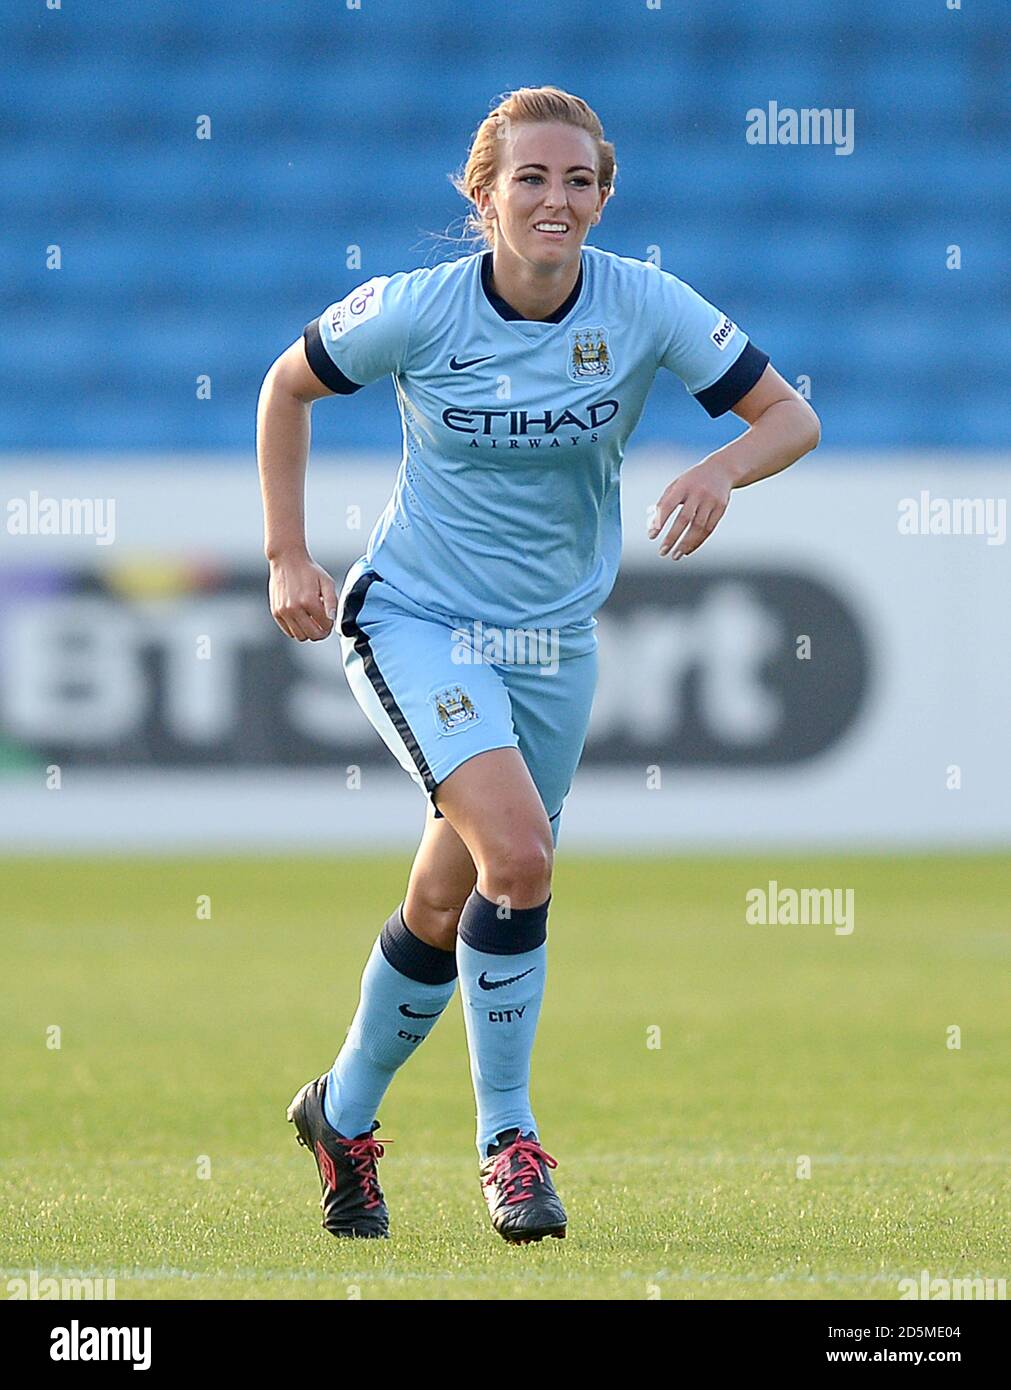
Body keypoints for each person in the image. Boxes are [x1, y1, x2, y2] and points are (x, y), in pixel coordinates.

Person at [255, 85, 820, 1245]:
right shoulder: (415, 309)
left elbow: (789, 417)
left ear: (604, 196)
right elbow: (286, 384)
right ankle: (507, 1143)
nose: (554, 199)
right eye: (530, 178)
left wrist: (720, 469)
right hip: (415, 616)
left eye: (577, 181)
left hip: (553, 642)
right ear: (484, 196)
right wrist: (286, 556)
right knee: (521, 853)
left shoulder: (645, 302)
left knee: (447, 892)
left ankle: (341, 1115)